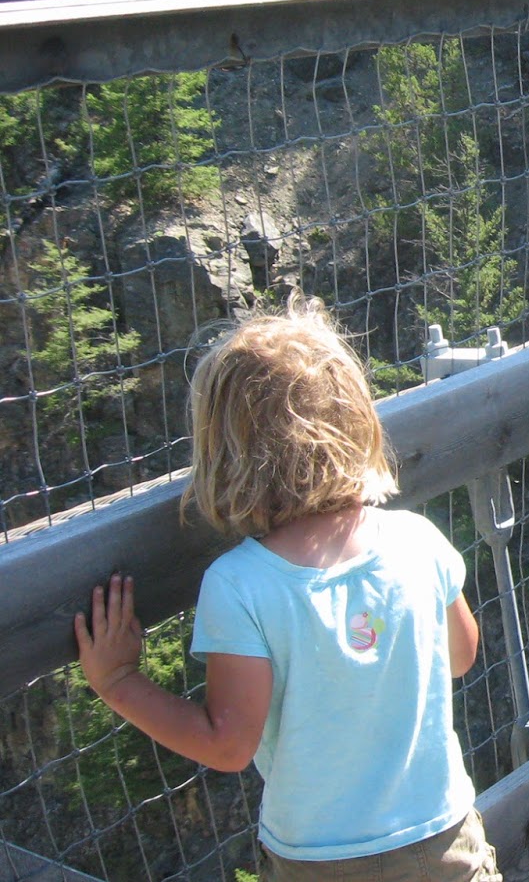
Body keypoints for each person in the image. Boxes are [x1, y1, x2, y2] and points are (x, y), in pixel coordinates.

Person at [74, 301, 499, 880]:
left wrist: (118, 681)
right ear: (357, 423)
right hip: (443, 835)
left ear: (224, 451)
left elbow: (228, 746)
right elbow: (460, 655)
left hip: (322, 860)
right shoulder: (417, 539)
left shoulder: (241, 585)